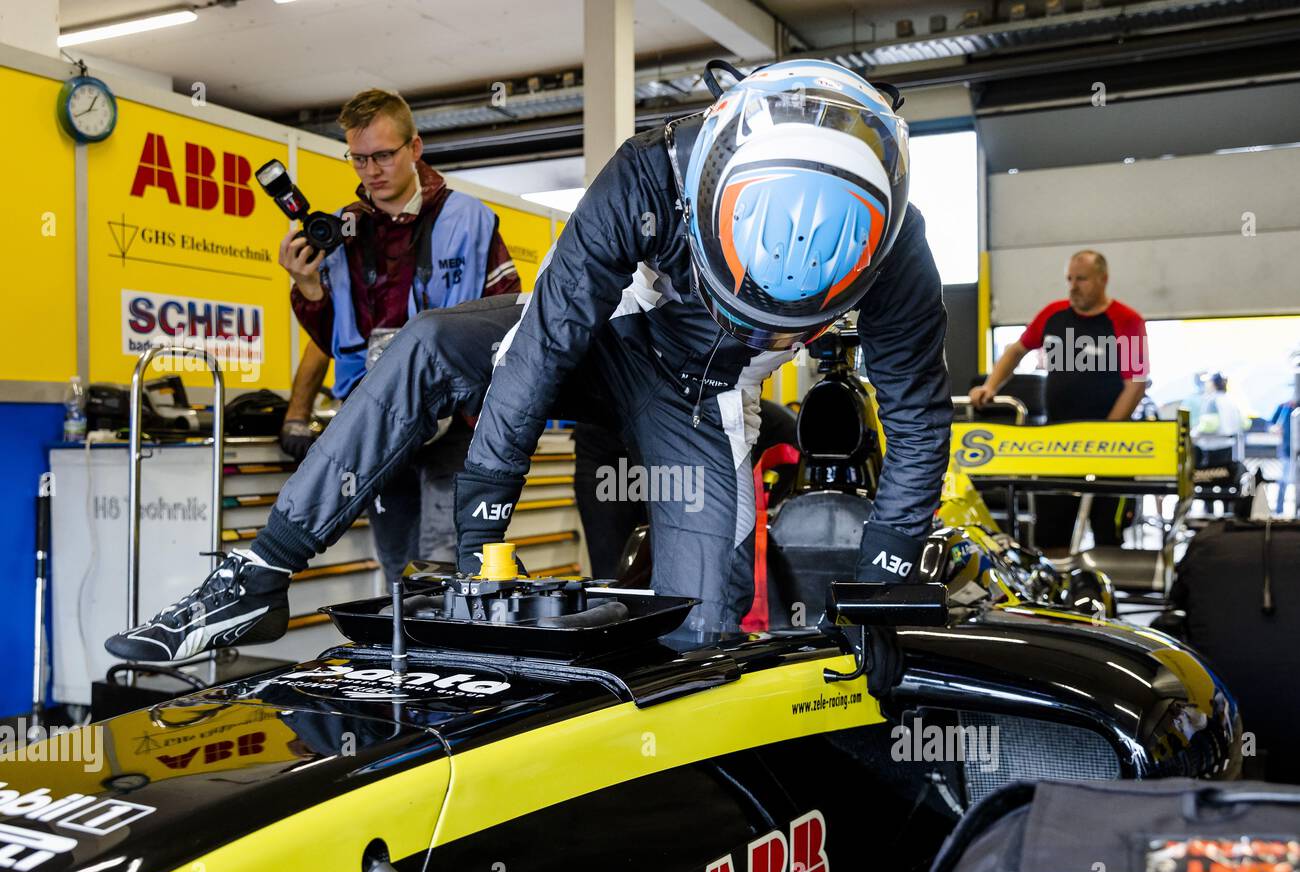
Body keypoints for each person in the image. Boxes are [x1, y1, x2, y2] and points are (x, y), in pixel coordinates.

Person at [106, 59, 952, 663]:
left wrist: (881, 586)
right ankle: (257, 575)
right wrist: (485, 516)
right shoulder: (652, 170)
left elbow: (915, 417)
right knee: (428, 341)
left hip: (700, 395)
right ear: (710, 194)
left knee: (706, 631)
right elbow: (547, 336)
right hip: (596, 340)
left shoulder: (898, 245)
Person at [278, 89, 520, 581]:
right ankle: (405, 657)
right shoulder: (340, 232)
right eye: (359, 158)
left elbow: (510, 320)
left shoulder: (468, 220)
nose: (371, 170)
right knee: (396, 563)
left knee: (449, 558)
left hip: (460, 421)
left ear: (414, 147)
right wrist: (307, 287)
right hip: (376, 415)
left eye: (383, 155)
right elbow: (332, 339)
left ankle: (458, 655)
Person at [969, 250, 1148, 552]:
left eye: (1082, 279)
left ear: (1103, 280)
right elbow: (1016, 350)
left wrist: (1107, 435)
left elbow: (1135, 385)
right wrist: (990, 386)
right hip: (1058, 444)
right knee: (1051, 533)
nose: (1073, 286)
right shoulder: (1053, 315)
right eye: (1069, 279)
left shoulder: (1127, 321)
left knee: (1108, 534)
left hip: (1111, 448)